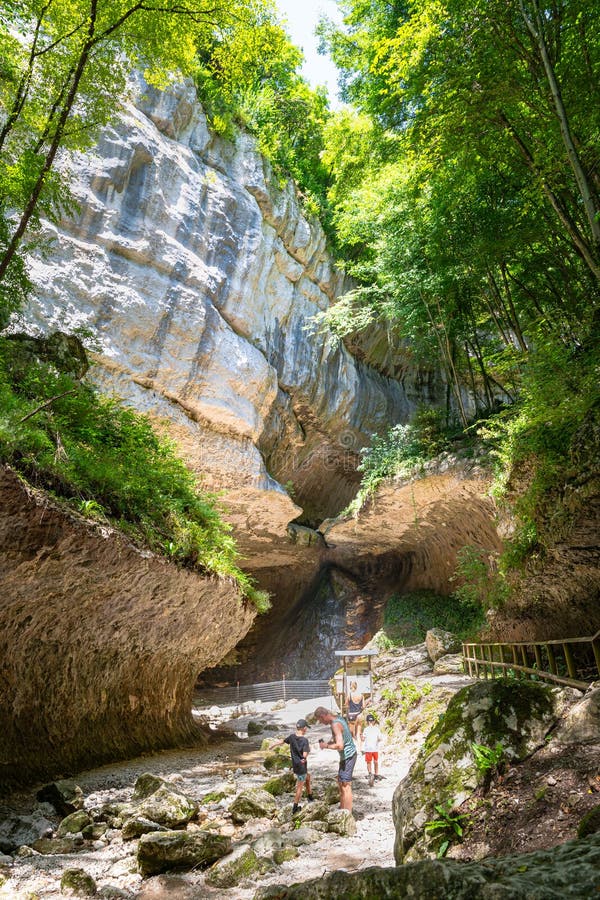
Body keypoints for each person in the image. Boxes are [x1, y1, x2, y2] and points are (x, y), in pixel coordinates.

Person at [314, 705, 357, 812]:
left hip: (348, 755)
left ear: (323, 716)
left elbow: (340, 745)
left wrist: (326, 746)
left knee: (346, 785)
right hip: (346, 756)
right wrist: (328, 743)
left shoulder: (335, 725)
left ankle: (347, 813)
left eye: (320, 720)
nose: (321, 723)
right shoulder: (338, 719)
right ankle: (342, 810)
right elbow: (338, 737)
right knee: (341, 783)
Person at [269, 719, 314, 813]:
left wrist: (273, 745)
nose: (306, 729)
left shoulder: (292, 737)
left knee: (308, 777)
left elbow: (282, 741)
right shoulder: (305, 740)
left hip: (295, 765)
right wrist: (307, 753)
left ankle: (310, 796)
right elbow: (305, 754)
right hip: (302, 766)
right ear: (304, 728)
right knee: (299, 787)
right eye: (306, 728)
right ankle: (295, 807)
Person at [361, 713, 384, 786]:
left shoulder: (365, 729)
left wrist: (361, 737)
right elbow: (380, 738)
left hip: (368, 749)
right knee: (376, 761)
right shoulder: (377, 729)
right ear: (374, 721)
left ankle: (370, 774)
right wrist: (377, 740)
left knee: (368, 762)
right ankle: (376, 774)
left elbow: (363, 739)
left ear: (367, 722)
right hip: (375, 748)